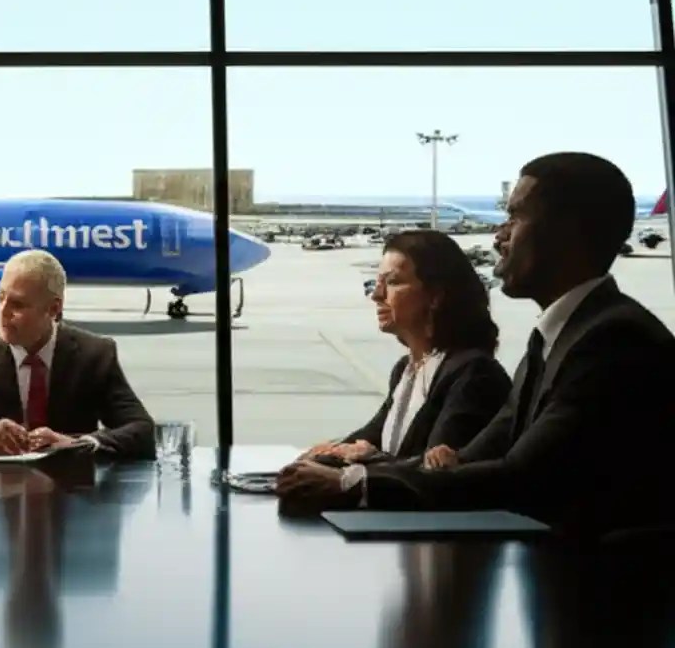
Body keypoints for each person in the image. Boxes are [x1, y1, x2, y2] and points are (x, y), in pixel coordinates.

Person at [277, 152, 675, 536]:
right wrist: (355, 473)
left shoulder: (613, 340)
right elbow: (474, 458)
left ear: (567, 231)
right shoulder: (559, 338)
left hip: (602, 591)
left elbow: (521, 476)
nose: (499, 236)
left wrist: (354, 484)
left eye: (514, 217)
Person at [0, 249, 154, 462]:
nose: (3, 313)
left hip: (72, 502)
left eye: (18, 305)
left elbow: (142, 431)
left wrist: (76, 444)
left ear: (54, 308)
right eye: (0, 298)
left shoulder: (95, 354)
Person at [301, 230, 511, 464]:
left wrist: (369, 460)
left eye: (392, 282)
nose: (377, 295)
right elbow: (371, 438)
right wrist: (328, 453)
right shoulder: (407, 368)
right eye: (376, 283)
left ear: (435, 296)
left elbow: (438, 475)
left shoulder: (475, 375)